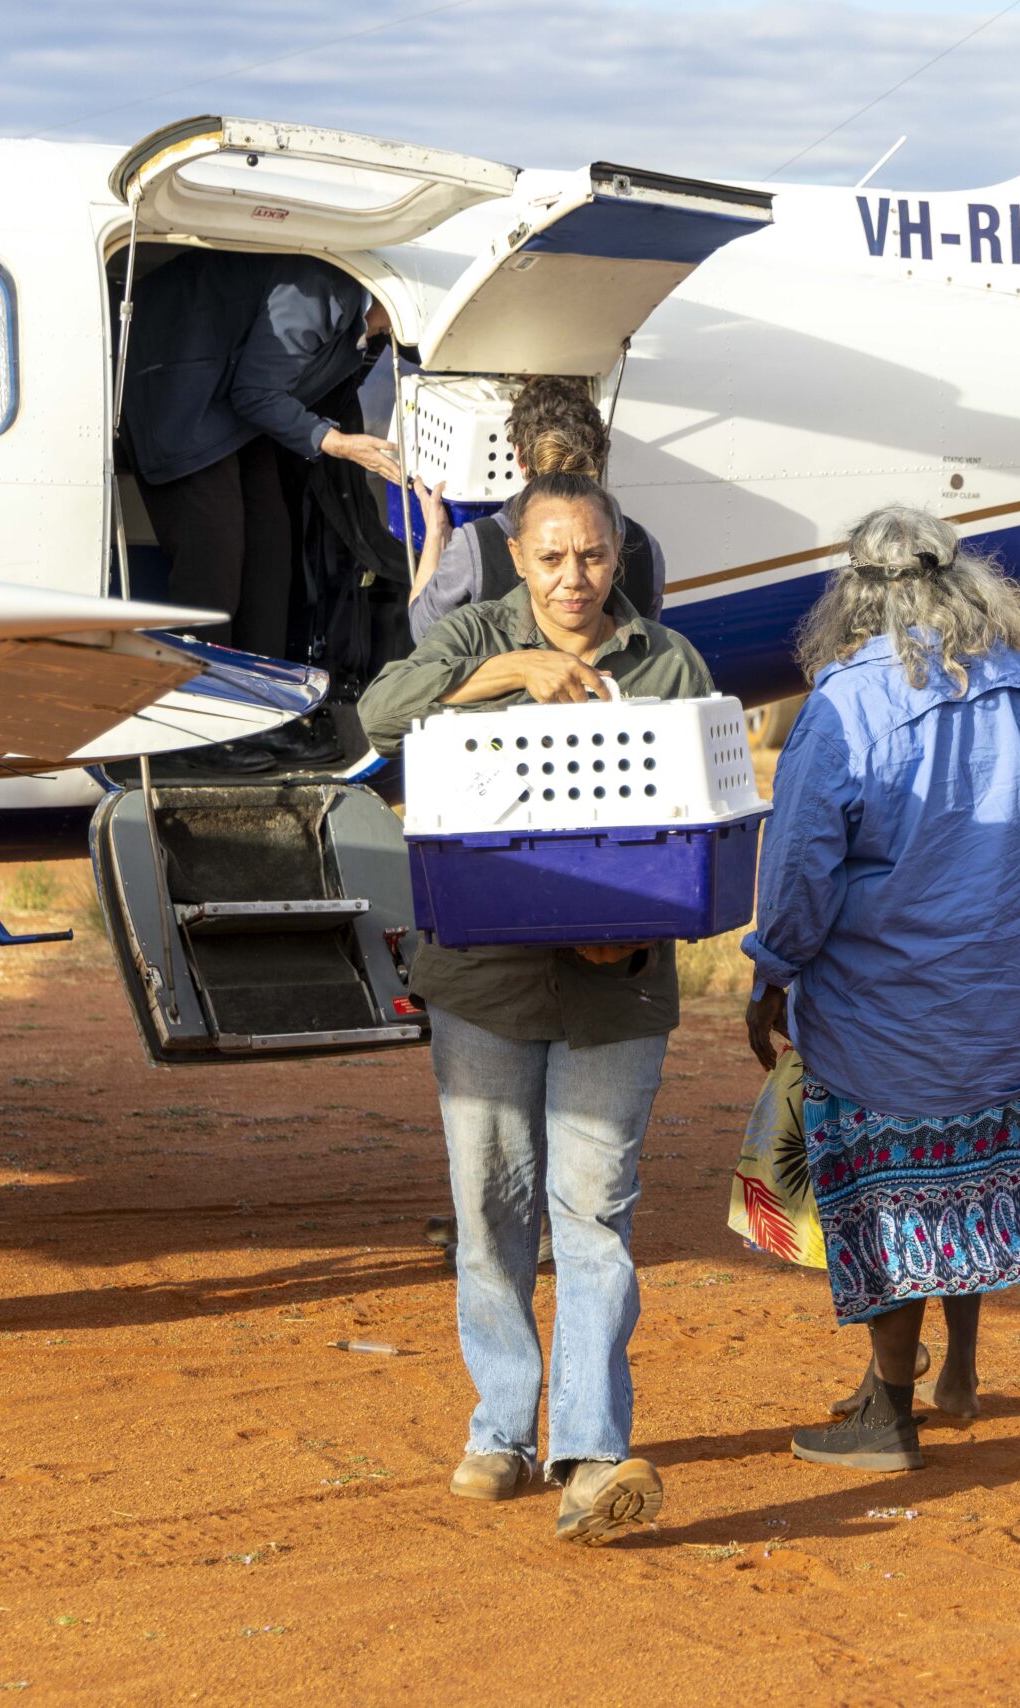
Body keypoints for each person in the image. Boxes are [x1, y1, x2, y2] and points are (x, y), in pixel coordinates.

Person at [357, 470, 711, 1545]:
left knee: (593, 1210)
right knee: (491, 1207)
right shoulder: (468, 639)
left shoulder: (666, 660)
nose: (575, 578)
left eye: (594, 555)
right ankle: (501, 1427)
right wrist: (502, 672)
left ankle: (594, 1447)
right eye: (552, 557)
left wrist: (647, 926)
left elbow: (703, 818)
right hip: (484, 980)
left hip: (620, 985)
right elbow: (376, 717)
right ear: (517, 557)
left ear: (618, 553)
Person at [740, 505, 1020, 1474]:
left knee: (886, 1196)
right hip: (1001, 1007)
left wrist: (771, 972)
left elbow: (802, 874)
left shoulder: (844, 704)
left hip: (881, 1015)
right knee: (1016, 1182)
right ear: (965, 585)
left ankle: (889, 1411)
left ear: (851, 595)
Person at [125, 250, 402, 676]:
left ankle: (265, 702)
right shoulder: (323, 291)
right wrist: (338, 443)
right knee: (212, 561)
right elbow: (255, 393)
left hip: (232, 408)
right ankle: (204, 711)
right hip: (181, 393)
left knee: (270, 551)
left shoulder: (368, 323)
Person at [407, 376, 666, 642]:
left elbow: (423, 633)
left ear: (518, 456)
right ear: (601, 456)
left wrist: (435, 536)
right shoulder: (646, 548)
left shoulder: (474, 547)